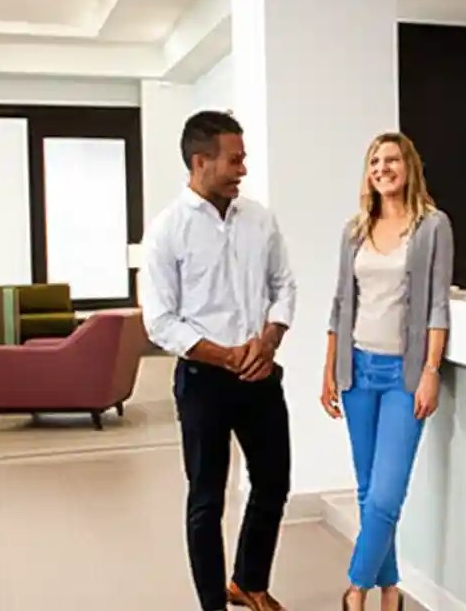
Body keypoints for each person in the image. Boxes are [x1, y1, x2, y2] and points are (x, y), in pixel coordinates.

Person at [142, 110, 296, 611]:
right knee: (207, 499)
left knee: (273, 482)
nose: (243, 169)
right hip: (204, 380)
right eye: (235, 159)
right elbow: (161, 321)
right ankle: (212, 604)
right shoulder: (167, 230)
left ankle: (248, 581)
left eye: (243, 158)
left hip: (260, 375)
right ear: (200, 161)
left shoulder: (259, 219)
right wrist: (225, 355)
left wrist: (269, 340)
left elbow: (283, 285)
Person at [321, 132, 454, 611]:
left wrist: (431, 370)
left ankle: (356, 587)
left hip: (405, 374)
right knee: (366, 489)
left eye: (392, 159)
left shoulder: (432, 226)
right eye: (375, 160)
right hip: (356, 370)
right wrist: (329, 369)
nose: (383, 167)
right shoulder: (354, 230)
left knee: (386, 493)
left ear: (408, 166)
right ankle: (391, 590)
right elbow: (340, 303)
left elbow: (438, 305)